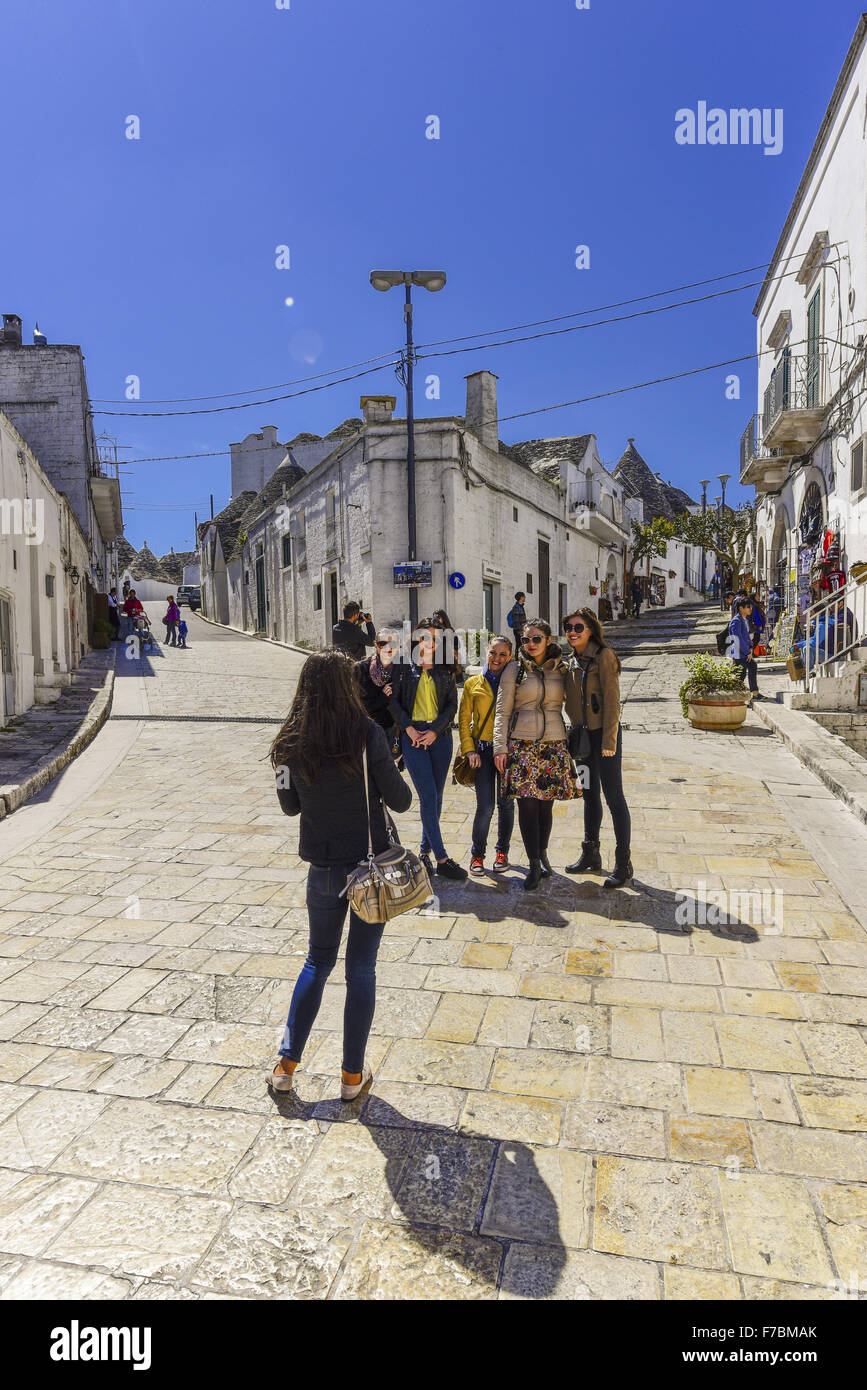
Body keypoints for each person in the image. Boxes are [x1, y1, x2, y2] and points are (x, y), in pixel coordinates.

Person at [269, 650, 413, 1100]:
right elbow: (402, 800)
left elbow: (289, 805)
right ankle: (352, 1077)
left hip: (324, 869)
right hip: (367, 869)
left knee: (317, 961)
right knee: (361, 968)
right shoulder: (367, 734)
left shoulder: (288, 742)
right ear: (346, 686)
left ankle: (285, 1067)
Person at [493, 618, 578, 892]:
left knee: (545, 806)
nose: (530, 644)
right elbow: (502, 711)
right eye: (526, 639)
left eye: (536, 639)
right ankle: (532, 864)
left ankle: (542, 855)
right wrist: (500, 746)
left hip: (554, 744)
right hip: (523, 744)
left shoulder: (561, 669)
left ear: (548, 640)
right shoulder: (513, 670)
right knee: (527, 806)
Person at [387, 620, 467, 881]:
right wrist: (409, 729)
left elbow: (451, 707)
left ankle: (424, 852)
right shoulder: (402, 667)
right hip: (413, 738)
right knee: (428, 797)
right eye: (424, 637)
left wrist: (434, 732)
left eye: (433, 638)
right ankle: (442, 859)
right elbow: (394, 702)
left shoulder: (446, 670)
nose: (428, 643)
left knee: (437, 798)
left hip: (440, 738)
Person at [562, 608, 633, 888]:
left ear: (591, 629)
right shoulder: (571, 661)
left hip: (603, 738)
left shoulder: (604, 656)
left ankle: (623, 862)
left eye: (578, 627)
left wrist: (609, 741)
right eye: (568, 627)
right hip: (582, 741)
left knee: (614, 798)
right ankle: (591, 853)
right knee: (589, 795)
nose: (572, 632)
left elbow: (613, 702)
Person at [458, 634, 515, 874]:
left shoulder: (516, 682)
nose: (497, 658)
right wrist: (469, 749)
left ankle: (502, 852)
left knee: (506, 804)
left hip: (508, 750)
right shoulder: (473, 683)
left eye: (503, 654)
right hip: (482, 750)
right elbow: (463, 721)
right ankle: (477, 855)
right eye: (493, 652)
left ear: (510, 656)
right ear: (486, 653)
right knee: (485, 806)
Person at [354, 630, 401, 760]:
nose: (388, 647)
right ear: (376, 645)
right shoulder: (360, 669)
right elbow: (357, 706)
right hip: (368, 734)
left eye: (392, 644)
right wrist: (383, 697)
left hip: (393, 732)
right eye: (382, 643)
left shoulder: (403, 670)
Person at [729, 597, 761, 698]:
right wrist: (747, 652)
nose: (750, 609)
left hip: (744, 652)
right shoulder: (736, 621)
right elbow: (737, 639)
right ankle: (753, 693)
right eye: (747, 607)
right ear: (741, 608)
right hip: (739, 652)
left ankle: (738, 695)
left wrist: (751, 647)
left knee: (741, 674)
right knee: (750, 667)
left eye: (750, 607)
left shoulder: (744, 619)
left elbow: (746, 636)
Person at [430, 609, 464, 684]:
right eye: (434, 618)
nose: (436, 619)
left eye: (438, 617)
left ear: (443, 618)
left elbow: (457, 645)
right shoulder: (434, 631)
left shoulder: (449, 630)